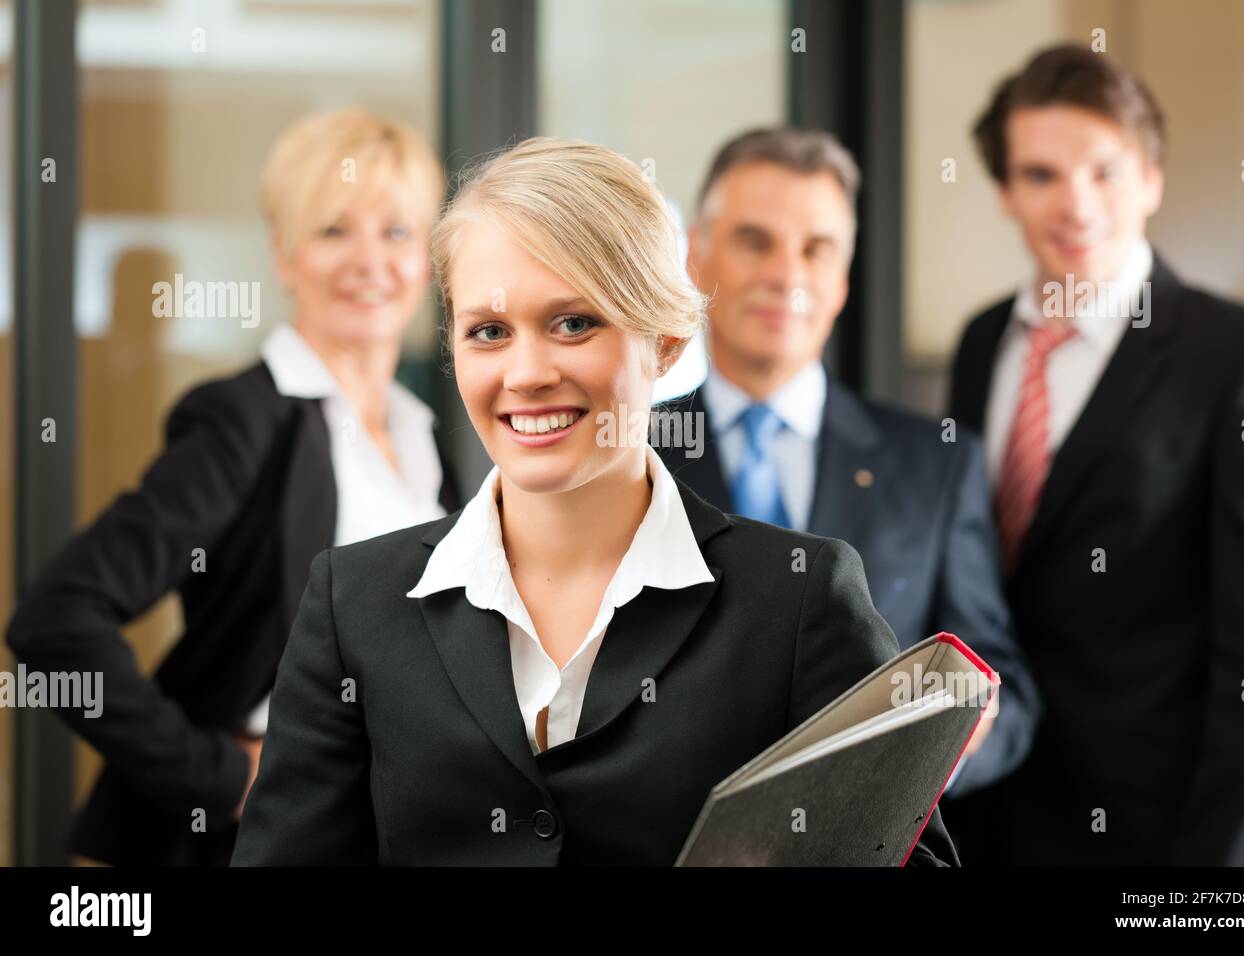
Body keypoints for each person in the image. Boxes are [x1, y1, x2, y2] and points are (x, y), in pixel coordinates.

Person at [231, 137, 959, 866]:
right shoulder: (354, 604)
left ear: (666, 342)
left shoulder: (801, 599)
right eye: (489, 332)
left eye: (574, 323)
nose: (526, 373)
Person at [5, 107, 461, 866]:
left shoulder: (426, 436)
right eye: (332, 231)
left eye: (397, 231)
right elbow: (56, 621)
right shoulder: (243, 420)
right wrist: (220, 779)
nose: (369, 261)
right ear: (284, 255)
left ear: (428, 260)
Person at [947, 45, 1244, 865]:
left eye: (1104, 171)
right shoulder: (980, 342)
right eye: (1040, 175)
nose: (1075, 203)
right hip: (983, 825)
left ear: (1151, 180)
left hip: (1154, 838)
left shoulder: (1243, 359)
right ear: (1005, 193)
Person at [655, 128, 1038, 801]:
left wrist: (963, 736)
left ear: (840, 280)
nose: (787, 273)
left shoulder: (938, 464)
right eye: (755, 241)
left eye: (816, 249)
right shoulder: (627, 454)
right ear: (696, 257)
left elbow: (1001, 679)